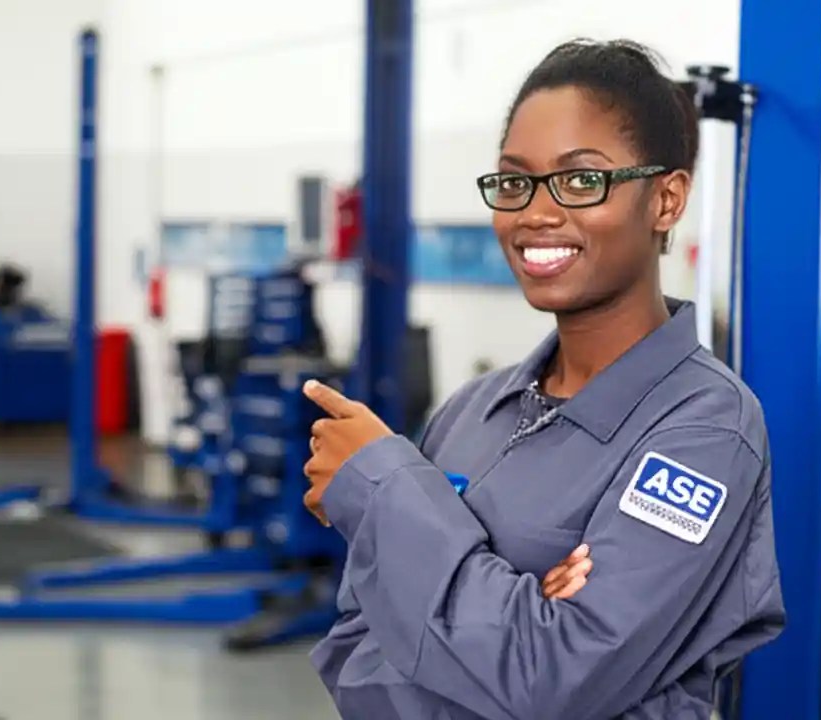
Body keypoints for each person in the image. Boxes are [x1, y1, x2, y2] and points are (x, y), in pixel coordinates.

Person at [300, 38, 785, 720]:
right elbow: (355, 648)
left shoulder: (704, 428)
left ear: (666, 199)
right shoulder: (471, 411)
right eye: (513, 182)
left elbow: (558, 678)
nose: (535, 212)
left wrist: (386, 496)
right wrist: (520, 612)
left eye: (582, 180)